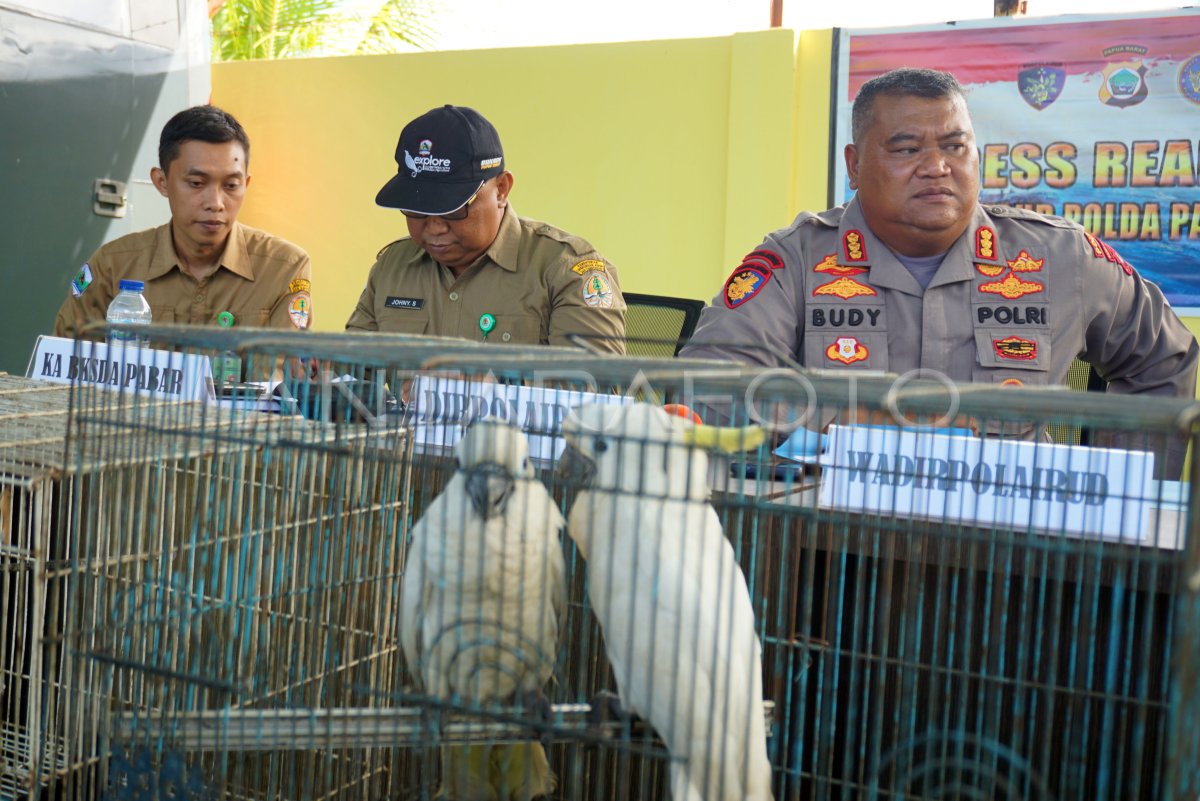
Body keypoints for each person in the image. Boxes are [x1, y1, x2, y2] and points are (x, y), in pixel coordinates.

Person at [679, 67, 1198, 475]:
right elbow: (704, 387)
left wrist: (1122, 495)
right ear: (854, 165)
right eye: (907, 149)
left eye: (955, 146)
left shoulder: (1062, 258)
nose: (936, 166)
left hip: (1012, 547)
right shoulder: (797, 260)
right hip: (835, 540)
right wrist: (838, 421)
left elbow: (1164, 362)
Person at [346, 104, 626, 353]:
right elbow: (351, 371)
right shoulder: (392, 268)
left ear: (501, 190)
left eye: (452, 208)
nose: (434, 226)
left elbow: (596, 384)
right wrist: (326, 374)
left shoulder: (566, 270)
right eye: (417, 208)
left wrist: (492, 387)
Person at [54, 105, 312, 339]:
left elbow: (283, 370)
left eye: (231, 185)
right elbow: (65, 362)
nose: (216, 203)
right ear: (162, 182)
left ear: (246, 184)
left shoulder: (283, 269)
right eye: (196, 183)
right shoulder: (112, 266)